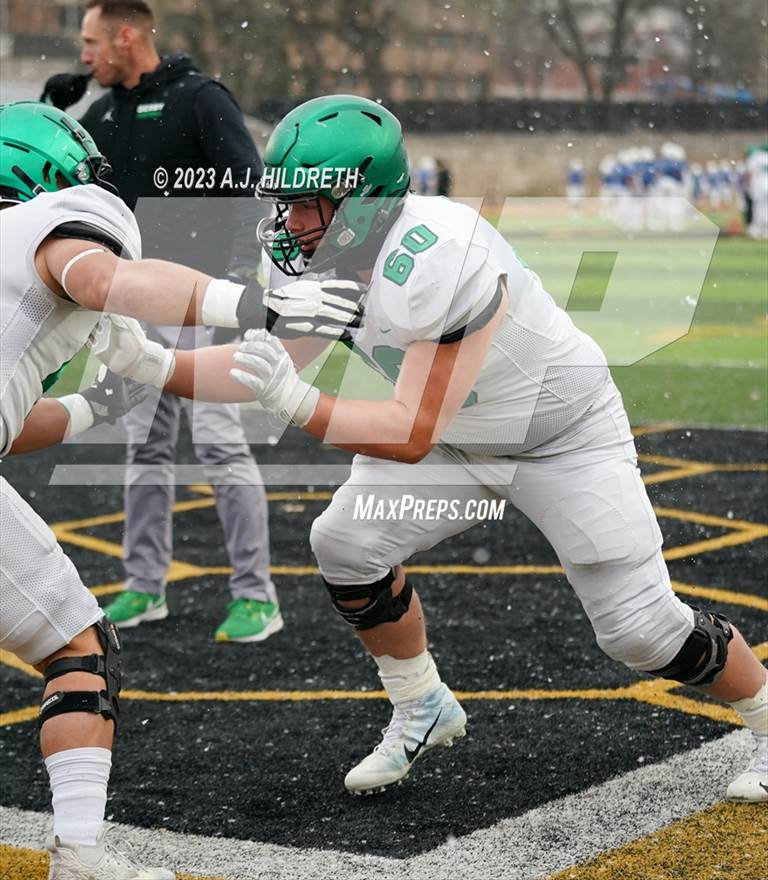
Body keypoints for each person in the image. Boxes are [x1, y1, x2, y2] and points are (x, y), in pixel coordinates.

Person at [229, 94, 768, 802]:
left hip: (559, 438)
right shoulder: (317, 259)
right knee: (345, 543)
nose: (292, 225)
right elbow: (258, 360)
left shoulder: (440, 254)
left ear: (364, 203)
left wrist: (296, 403)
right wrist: (144, 367)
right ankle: (421, 704)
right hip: (460, 441)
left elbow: (408, 428)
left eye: (310, 206)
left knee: (639, 633)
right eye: (288, 205)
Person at [0, 101, 362, 875]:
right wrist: (257, 303)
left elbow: (12, 418)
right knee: (78, 654)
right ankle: (82, 859)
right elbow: (106, 276)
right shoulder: (61, 220)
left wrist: (93, 405)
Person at [42, 0, 277, 643]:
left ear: (124, 37)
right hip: (135, 306)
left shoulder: (201, 97)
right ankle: (145, 587)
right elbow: (53, 179)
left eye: (90, 44)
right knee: (143, 449)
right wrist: (53, 101)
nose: (83, 57)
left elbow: (247, 184)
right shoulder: (103, 113)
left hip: (202, 301)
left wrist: (236, 280)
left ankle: (256, 596)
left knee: (220, 445)